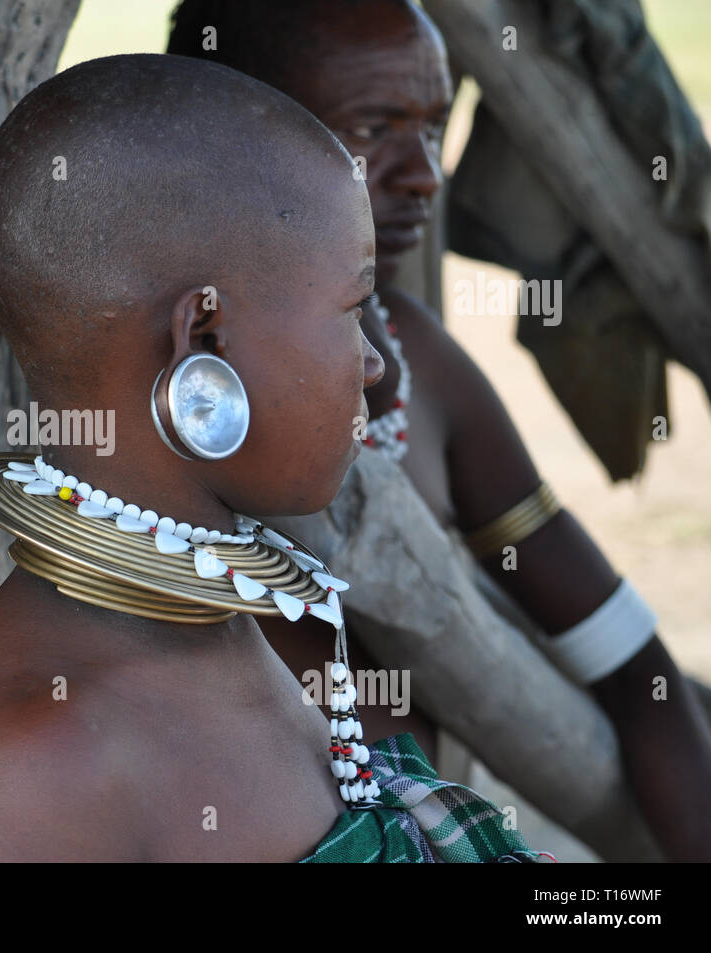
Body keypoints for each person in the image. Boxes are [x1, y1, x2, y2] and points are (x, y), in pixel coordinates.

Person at [0, 53, 540, 862]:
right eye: (352, 305)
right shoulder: (36, 758)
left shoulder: (211, 624)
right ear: (205, 336)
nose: (372, 359)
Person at [168, 0, 711, 860]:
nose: (424, 173)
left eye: (436, 125)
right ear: (236, 135)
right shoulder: (155, 385)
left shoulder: (421, 363)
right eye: (376, 128)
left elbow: (621, 648)